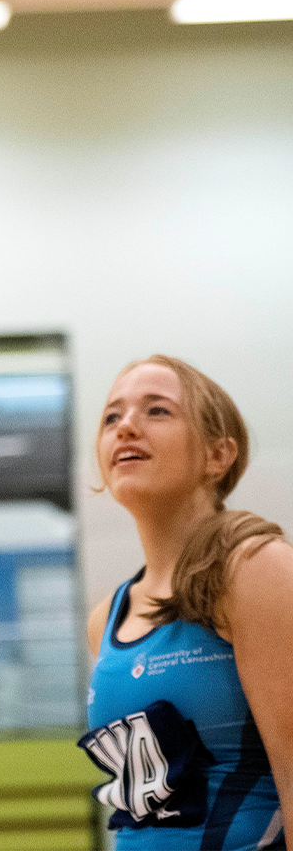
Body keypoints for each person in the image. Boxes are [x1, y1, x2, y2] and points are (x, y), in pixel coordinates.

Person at [82, 355, 291, 848]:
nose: (126, 426)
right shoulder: (105, 617)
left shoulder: (255, 568)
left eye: (157, 411)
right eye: (112, 416)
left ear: (218, 456)